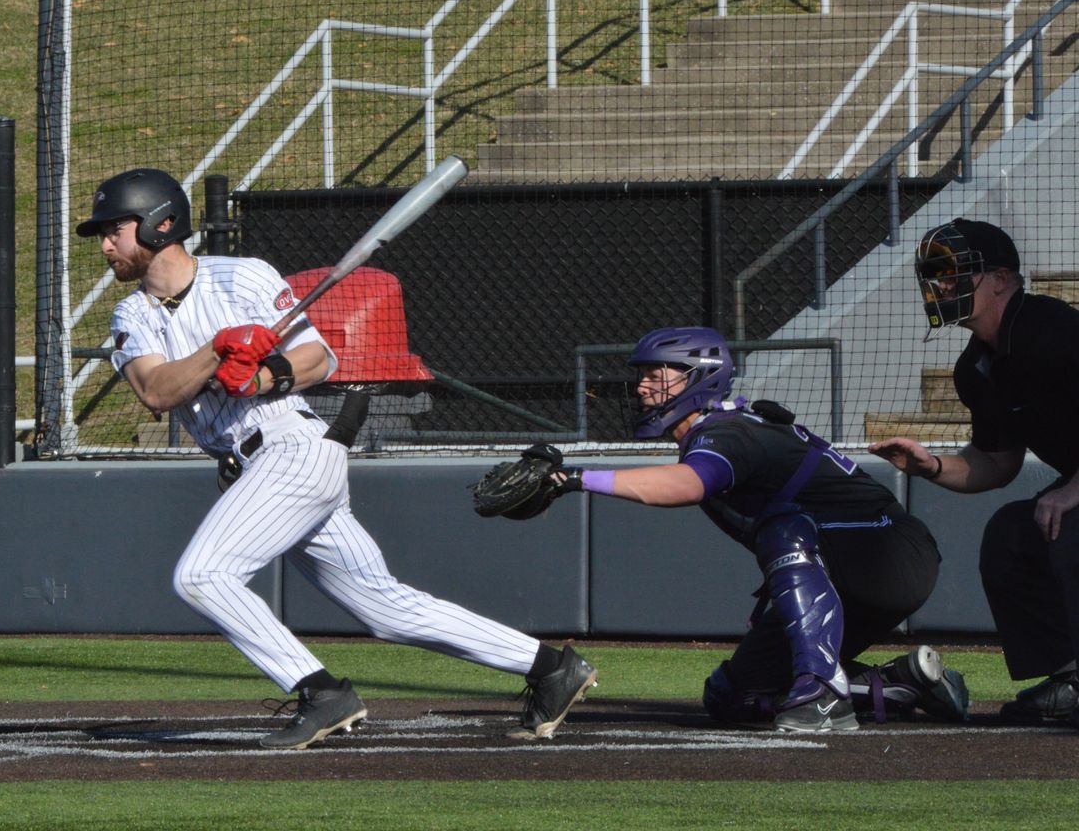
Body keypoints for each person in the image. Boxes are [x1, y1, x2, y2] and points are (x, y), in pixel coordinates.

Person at [81, 167, 597, 749]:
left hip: (293, 448)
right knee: (383, 607)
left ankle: (321, 693)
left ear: (160, 223)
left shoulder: (243, 276)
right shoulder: (131, 316)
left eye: (114, 230)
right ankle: (552, 669)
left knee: (202, 576)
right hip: (253, 465)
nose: (105, 246)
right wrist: (219, 349)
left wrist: (265, 376)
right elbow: (157, 391)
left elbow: (318, 359)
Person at [533, 326, 968, 732]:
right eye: (641, 376)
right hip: (849, 570)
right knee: (733, 697)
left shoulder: (726, 432)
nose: (642, 387)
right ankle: (904, 684)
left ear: (699, 377)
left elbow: (688, 484)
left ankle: (822, 688)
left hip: (885, 552)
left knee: (785, 528)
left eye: (655, 375)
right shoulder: (718, 432)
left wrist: (576, 478)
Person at [870, 218, 1079, 728]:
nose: (940, 287)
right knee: (1011, 534)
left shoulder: (1055, 330)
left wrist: (1074, 489)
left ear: (1001, 279)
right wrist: (931, 466)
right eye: (934, 275)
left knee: (1069, 529)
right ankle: (1069, 679)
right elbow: (997, 462)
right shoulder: (976, 370)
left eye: (951, 273)